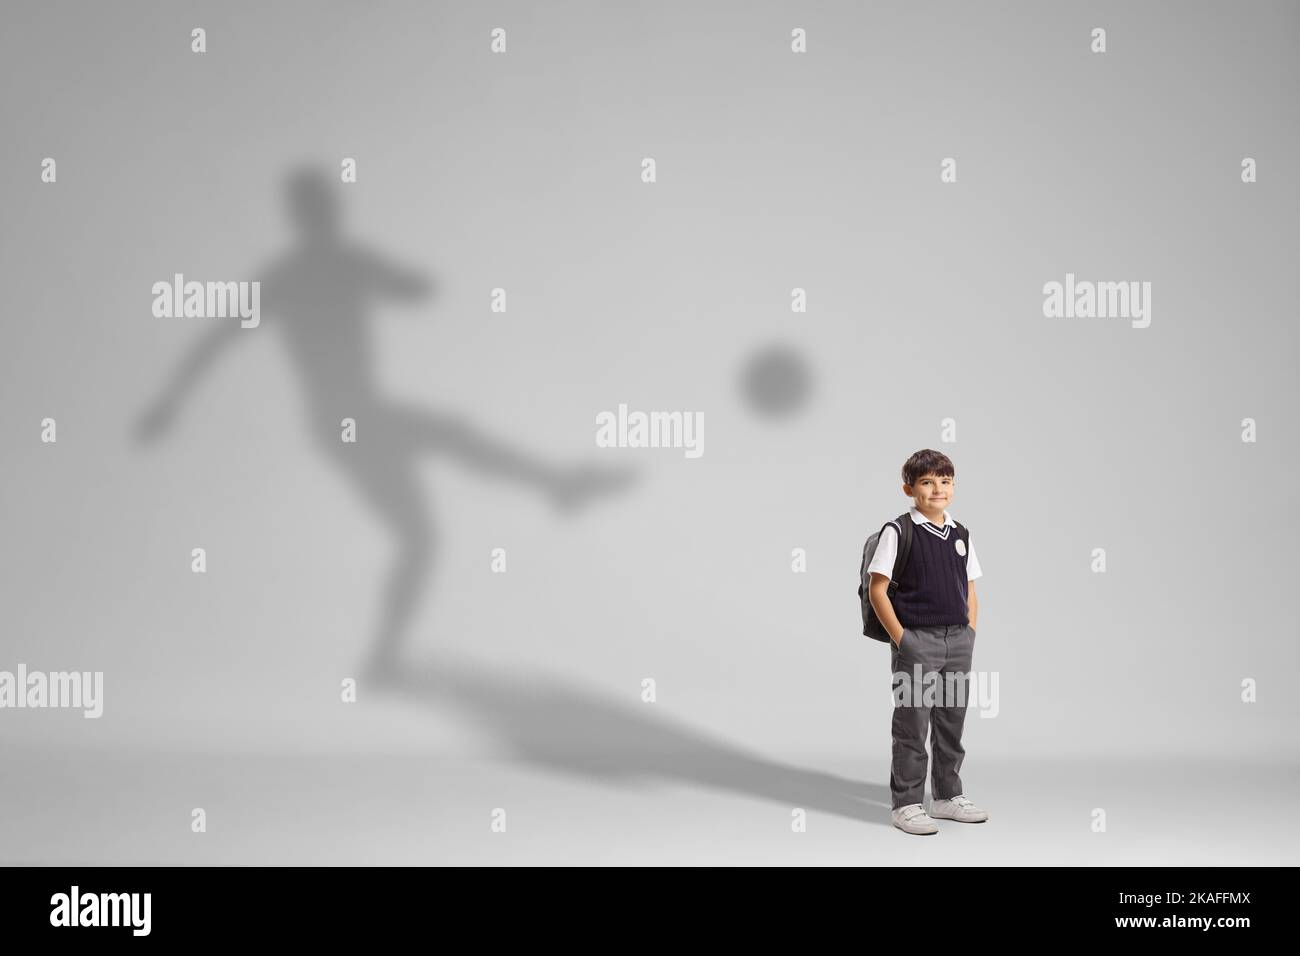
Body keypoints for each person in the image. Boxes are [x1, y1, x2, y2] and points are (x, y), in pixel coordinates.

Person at [866, 449, 989, 835]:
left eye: (946, 481)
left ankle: (947, 796)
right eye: (927, 482)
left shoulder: (961, 533)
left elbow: (969, 585)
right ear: (910, 488)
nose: (938, 489)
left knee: (952, 721)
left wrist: (969, 631)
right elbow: (877, 590)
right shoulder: (899, 531)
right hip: (917, 641)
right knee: (912, 724)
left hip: (958, 641)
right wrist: (904, 639)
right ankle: (906, 803)